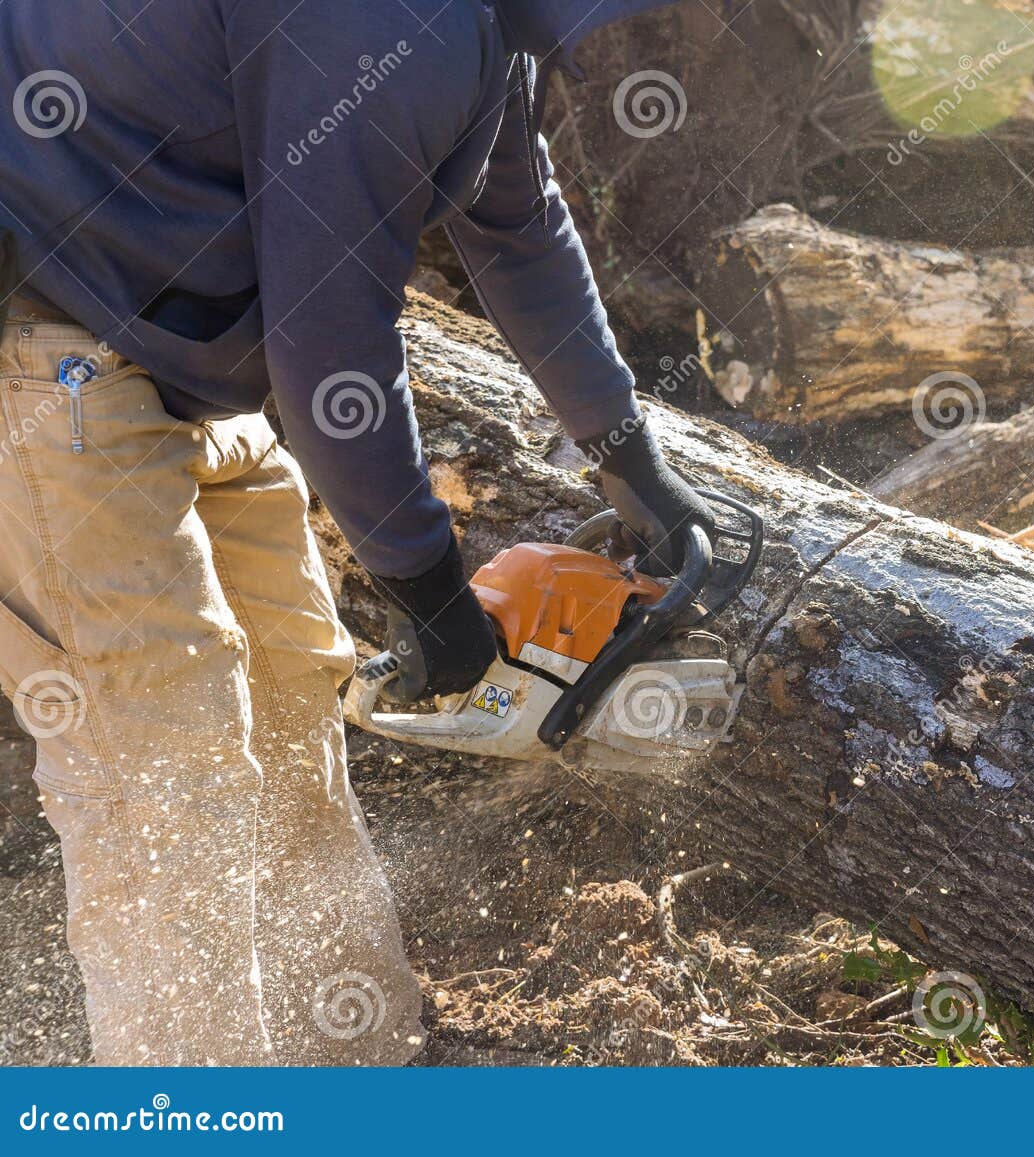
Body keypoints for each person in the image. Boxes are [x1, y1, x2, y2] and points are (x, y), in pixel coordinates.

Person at [0, 0, 706, 1064]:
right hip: (40, 344)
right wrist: (422, 579)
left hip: (167, 345)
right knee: (166, 757)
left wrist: (627, 454)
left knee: (292, 684)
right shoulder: (385, 23)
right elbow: (329, 332)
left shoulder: (475, 30)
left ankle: (356, 1071)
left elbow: (517, 221)